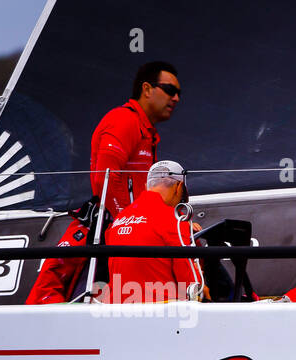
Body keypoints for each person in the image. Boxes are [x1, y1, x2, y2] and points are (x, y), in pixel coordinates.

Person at [27, 60, 181, 304]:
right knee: (89, 302)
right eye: (170, 90)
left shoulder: (146, 131)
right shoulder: (124, 120)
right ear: (147, 89)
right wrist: (127, 223)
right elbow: (105, 178)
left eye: (179, 93)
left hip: (126, 229)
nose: (176, 99)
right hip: (115, 229)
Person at [103, 160, 205, 303]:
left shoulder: (118, 220)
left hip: (117, 310)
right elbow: (190, 284)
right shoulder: (174, 219)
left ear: (146, 186)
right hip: (160, 314)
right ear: (179, 187)